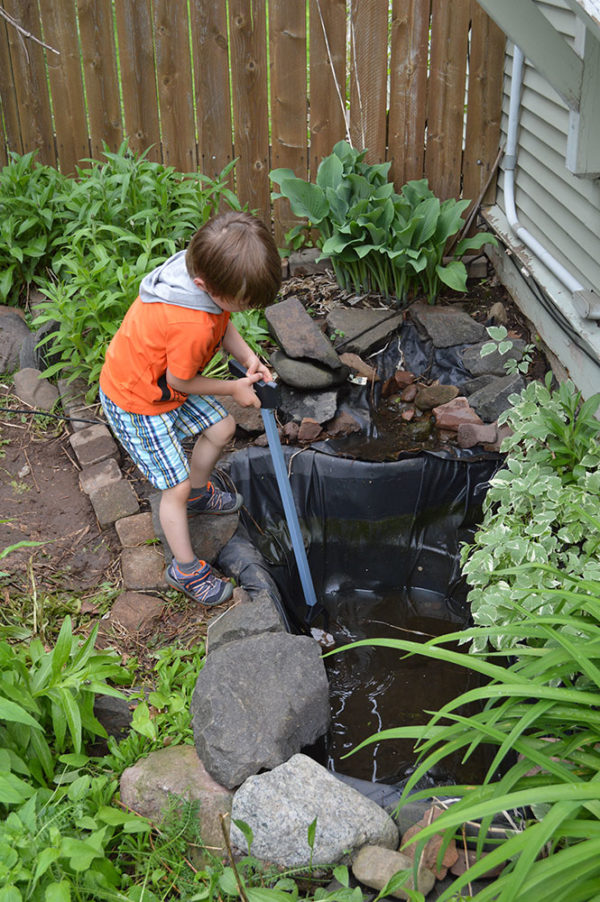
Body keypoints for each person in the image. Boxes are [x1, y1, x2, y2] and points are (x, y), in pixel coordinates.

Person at [99, 210, 282, 606]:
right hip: (137, 401)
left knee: (222, 428)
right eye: (242, 302)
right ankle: (184, 568)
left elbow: (224, 320)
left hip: (160, 386)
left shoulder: (204, 278)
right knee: (174, 488)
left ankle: (198, 495)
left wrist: (249, 358)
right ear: (204, 285)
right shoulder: (190, 324)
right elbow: (181, 381)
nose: (244, 308)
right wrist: (234, 388)